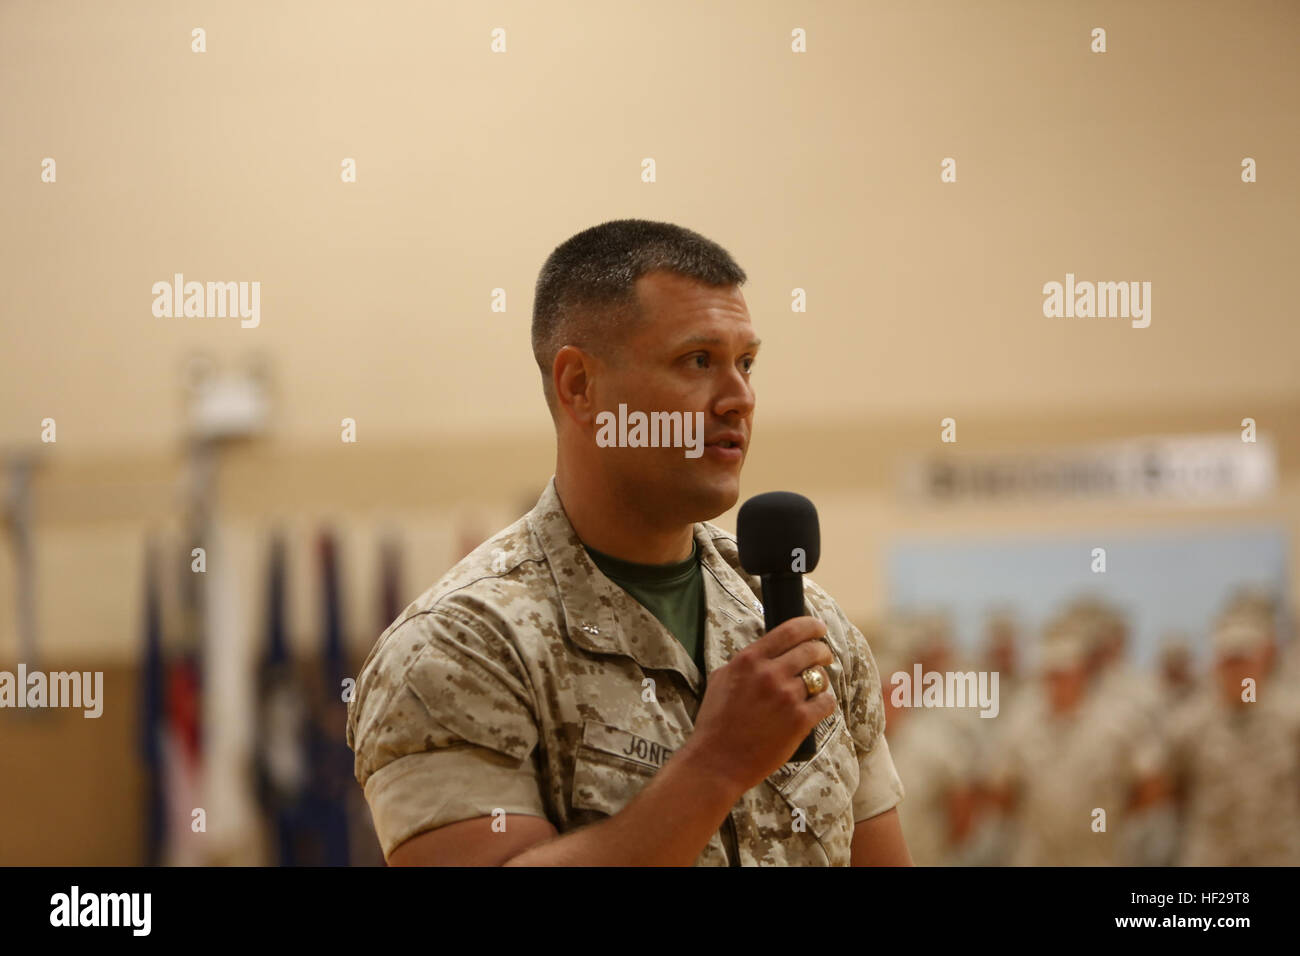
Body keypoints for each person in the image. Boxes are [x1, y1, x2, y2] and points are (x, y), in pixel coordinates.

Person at [345, 219, 910, 866]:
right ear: (580, 386)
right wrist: (717, 765)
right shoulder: (457, 648)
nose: (740, 399)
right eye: (698, 361)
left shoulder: (814, 630)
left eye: (746, 363)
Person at [1166, 610, 1300, 865]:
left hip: (1278, 855)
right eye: (1230, 662)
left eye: (1245, 662)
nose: (1238, 672)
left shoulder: (1292, 720)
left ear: (1262, 662)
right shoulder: (1188, 726)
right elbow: (1174, 791)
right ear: (1216, 665)